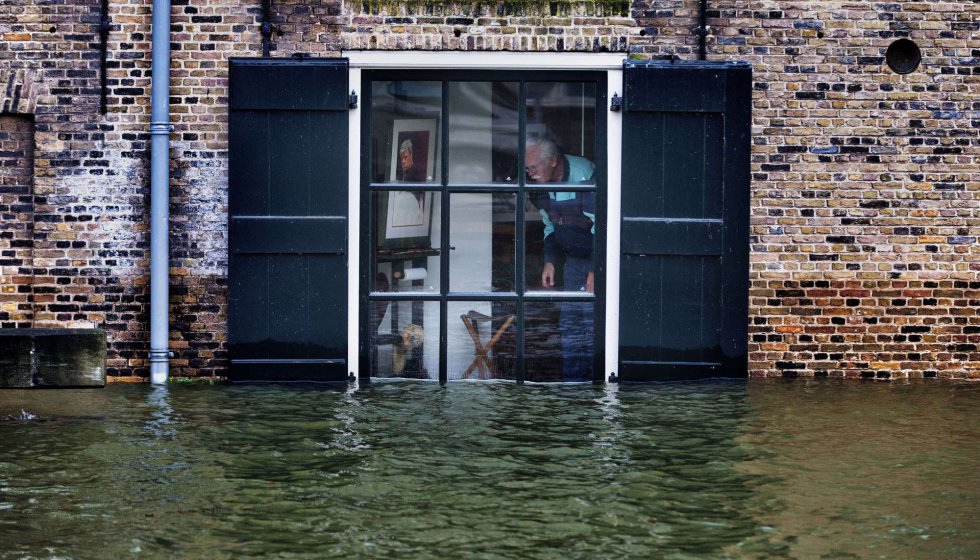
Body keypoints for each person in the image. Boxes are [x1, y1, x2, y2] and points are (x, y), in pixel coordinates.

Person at [525, 135, 596, 381]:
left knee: (592, 325)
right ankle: (572, 387)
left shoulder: (584, 175)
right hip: (574, 261)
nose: (530, 173)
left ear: (552, 161)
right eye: (527, 168)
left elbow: (603, 226)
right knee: (570, 324)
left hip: (595, 259)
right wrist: (550, 261)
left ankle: (595, 387)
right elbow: (550, 225)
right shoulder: (540, 185)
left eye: (533, 167)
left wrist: (597, 269)